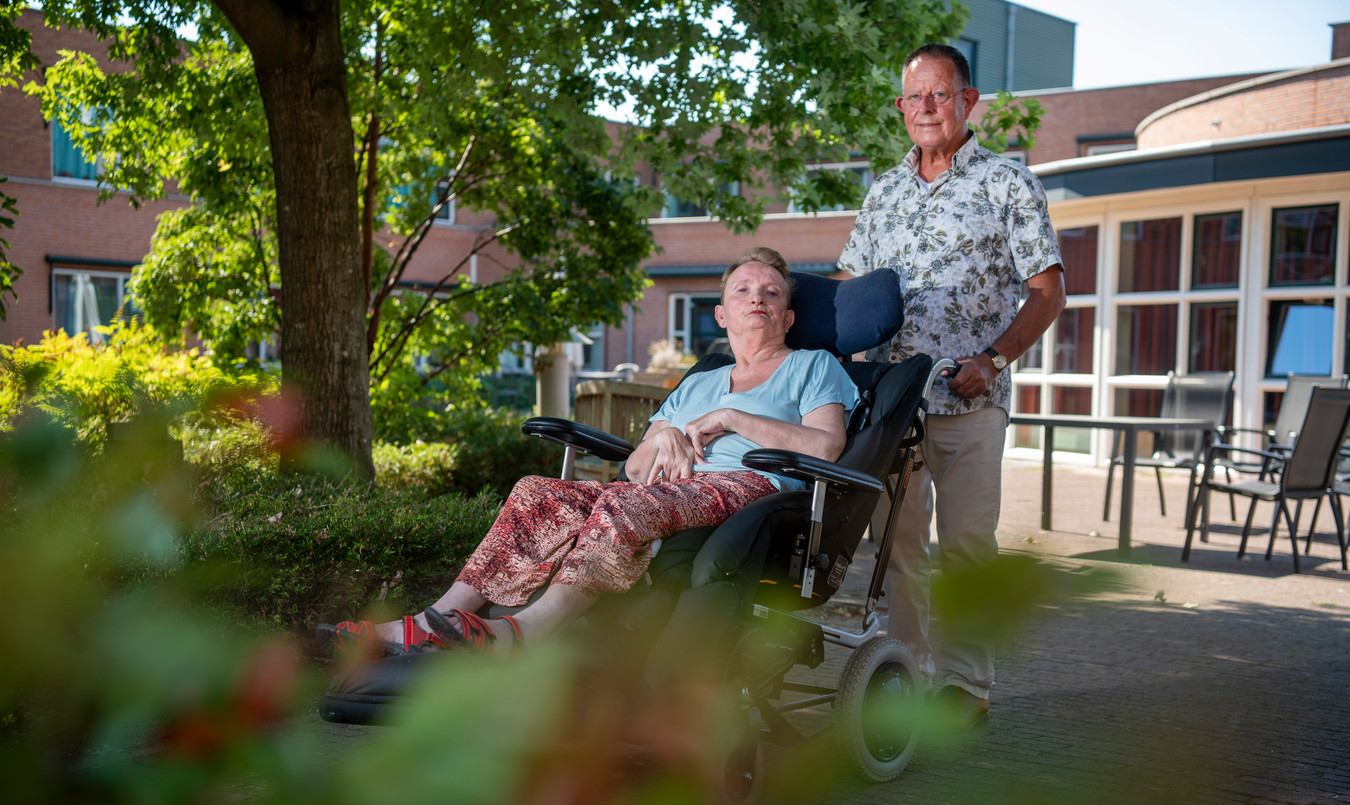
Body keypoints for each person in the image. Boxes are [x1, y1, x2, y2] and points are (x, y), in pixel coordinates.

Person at [317, 247, 859, 657]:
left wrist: (733, 418)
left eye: (771, 292)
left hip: (754, 486)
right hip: (667, 486)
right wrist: (661, 437)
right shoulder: (699, 382)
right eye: (743, 290)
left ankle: (526, 632)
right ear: (721, 314)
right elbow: (637, 468)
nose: (758, 298)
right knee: (535, 493)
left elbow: (827, 446)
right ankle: (433, 622)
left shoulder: (812, 366)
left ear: (788, 318)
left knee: (620, 506)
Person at [837, 44, 1066, 728]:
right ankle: (907, 675)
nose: (927, 108)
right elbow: (850, 290)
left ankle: (966, 687)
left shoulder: (1008, 184)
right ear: (901, 108)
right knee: (900, 549)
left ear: (969, 102)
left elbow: (1048, 292)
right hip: (893, 405)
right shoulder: (883, 191)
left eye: (941, 95)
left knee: (967, 548)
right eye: (915, 98)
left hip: (970, 399)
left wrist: (993, 358)